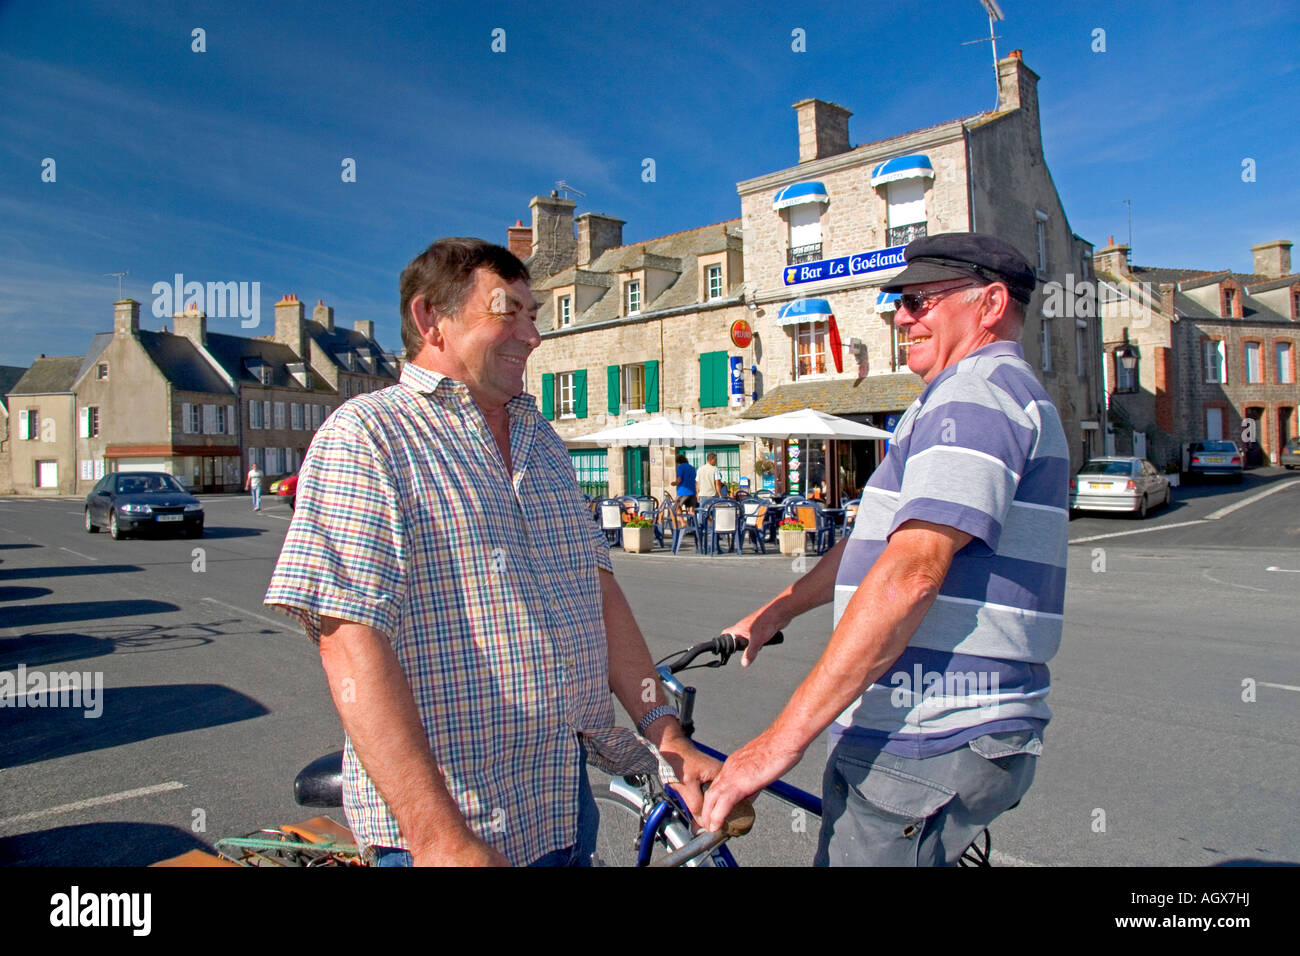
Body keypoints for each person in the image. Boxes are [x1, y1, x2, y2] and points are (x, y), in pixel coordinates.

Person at [264, 238, 719, 867]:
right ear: (431, 321)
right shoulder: (367, 437)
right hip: (449, 828)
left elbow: (600, 596)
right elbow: (348, 638)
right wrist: (436, 837)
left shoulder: (545, 443)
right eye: (509, 312)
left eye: (535, 315)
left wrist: (663, 731)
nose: (533, 335)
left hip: (559, 809)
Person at [699, 233, 1068, 866]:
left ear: (990, 303)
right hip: (964, 731)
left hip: (930, 734)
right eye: (899, 300)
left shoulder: (974, 394)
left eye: (921, 300)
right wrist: (777, 612)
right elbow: (875, 545)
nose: (901, 315)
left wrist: (777, 744)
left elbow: (909, 576)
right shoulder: (969, 393)